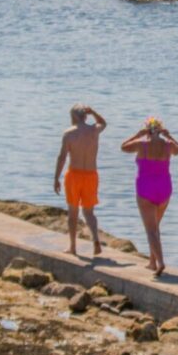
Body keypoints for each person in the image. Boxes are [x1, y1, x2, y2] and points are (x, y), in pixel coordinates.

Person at [121, 117, 178, 276]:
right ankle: (152, 262)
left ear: (147, 130)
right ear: (161, 130)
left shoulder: (142, 145)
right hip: (164, 188)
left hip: (146, 188)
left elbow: (123, 147)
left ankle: (160, 262)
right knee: (155, 227)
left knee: (151, 230)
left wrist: (137, 135)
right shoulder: (168, 146)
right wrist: (170, 137)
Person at [53, 105, 108, 259]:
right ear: (85, 116)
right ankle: (95, 239)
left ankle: (72, 246)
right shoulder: (94, 130)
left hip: (74, 175)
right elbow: (104, 123)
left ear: (74, 117)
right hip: (91, 174)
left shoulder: (69, 134)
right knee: (89, 212)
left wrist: (56, 177)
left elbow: (62, 157)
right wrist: (95, 113)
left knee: (73, 212)